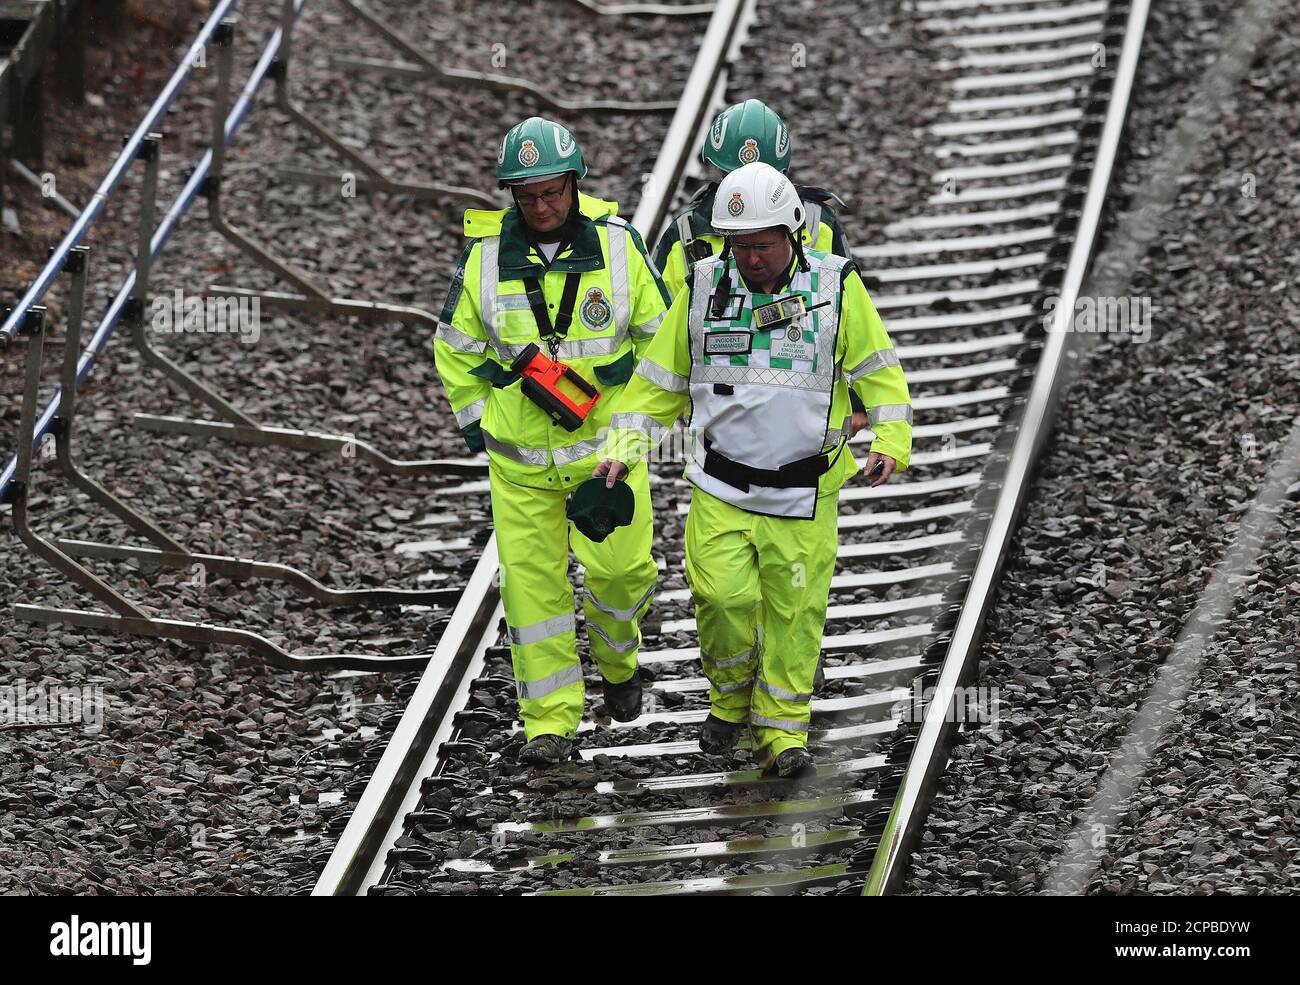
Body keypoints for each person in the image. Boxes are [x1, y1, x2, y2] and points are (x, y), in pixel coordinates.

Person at [596, 162, 912, 777]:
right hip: (722, 488)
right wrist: (626, 443)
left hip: (805, 495)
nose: (751, 258)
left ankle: (783, 735)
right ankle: (731, 699)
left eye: (762, 245)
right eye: (740, 246)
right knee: (720, 601)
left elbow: (878, 368)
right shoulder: (703, 288)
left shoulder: (837, 289)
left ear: (793, 235)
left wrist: (891, 438)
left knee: (795, 618)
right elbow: (657, 384)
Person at [433, 116, 671, 766]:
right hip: (521, 469)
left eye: (552, 193)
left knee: (621, 578)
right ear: (512, 195)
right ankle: (551, 724)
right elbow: (454, 348)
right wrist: (483, 420)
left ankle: (620, 668)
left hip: (607, 461)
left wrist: (634, 422)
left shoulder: (620, 249)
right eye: (528, 195)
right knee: (534, 596)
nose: (541, 207)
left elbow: (664, 341)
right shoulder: (484, 262)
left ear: (575, 183)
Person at [652, 98, 864, 439]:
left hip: (805, 410)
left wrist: (856, 400)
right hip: (720, 417)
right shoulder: (685, 235)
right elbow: (662, 335)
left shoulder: (816, 222)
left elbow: (850, 316)